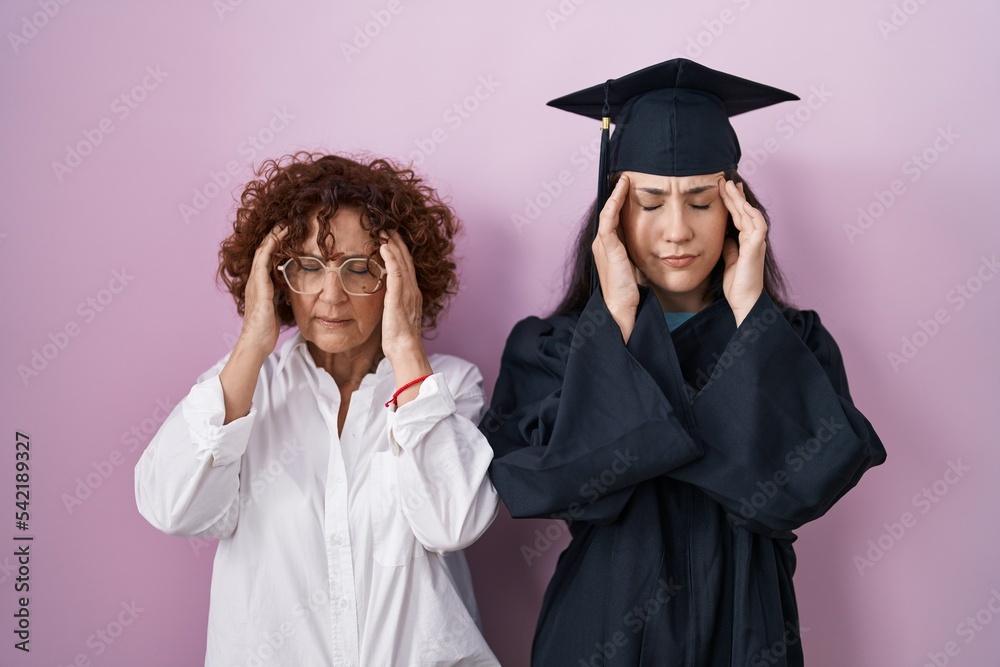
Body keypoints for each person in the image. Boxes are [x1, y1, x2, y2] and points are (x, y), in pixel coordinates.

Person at [481, 59, 887, 666]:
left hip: (748, 632)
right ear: (612, 215)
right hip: (601, 633)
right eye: (650, 202)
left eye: (701, 201)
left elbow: (805, 485)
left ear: (737, 211)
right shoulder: (554, 348)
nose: (676, 230)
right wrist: (614, 319)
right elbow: (541, 482)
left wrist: (751, 310)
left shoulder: (791, 342)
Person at [135, 152, 500, 666]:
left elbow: (450, 525)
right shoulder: (242, 386)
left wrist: (406, 348)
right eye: (307, 267)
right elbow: (172, 508)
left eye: (360, 269)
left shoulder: (450, 386)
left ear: (400, 279)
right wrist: (252, 341)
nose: (331, 296)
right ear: (278, 279)